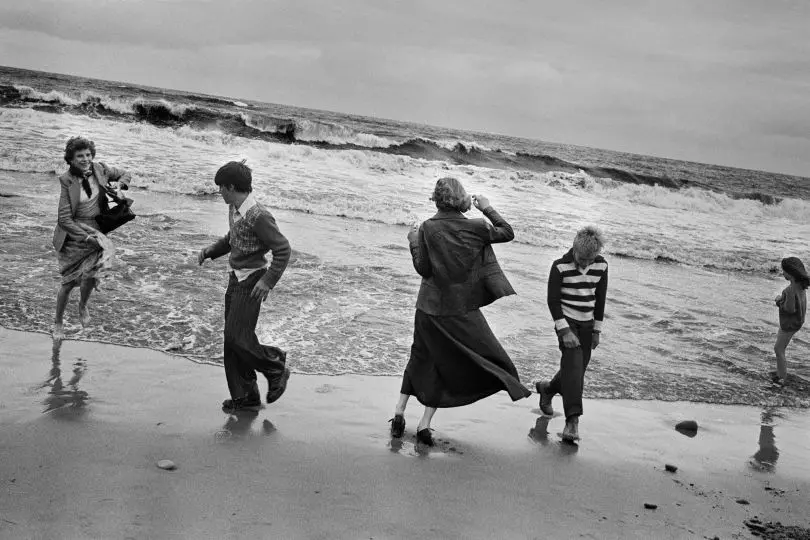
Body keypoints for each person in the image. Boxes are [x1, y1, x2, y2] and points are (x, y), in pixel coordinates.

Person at [389, 177, 531, 446]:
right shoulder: (477, 227)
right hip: (458, 308)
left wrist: (413, 240)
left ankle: (398, 412)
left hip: (428, 307)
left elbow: (423, 269)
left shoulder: (428, 228)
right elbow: (507, 232)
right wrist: (487, 208)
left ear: (436, 198)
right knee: (451, 361)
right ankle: (424, 425)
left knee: (419, 355)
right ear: (462, 198)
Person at [198, 160, 292, 412]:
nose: (219, 192)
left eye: (221, 187)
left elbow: (283, 250)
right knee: (231, 342)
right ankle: (246, 395)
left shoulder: (258, 215)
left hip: (251, 280)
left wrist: (267, 281)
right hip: (235, 277)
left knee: (237, 337)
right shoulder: (235, 209)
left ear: (231, 186)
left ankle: (276, 367)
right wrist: (211, 251)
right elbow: (233, 238)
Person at [52, 137, 130, 340]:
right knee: (68, 283)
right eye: (80, 156)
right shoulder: (67, 181)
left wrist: (121, 186)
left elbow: (124, 173)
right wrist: (87, 239)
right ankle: (58, 323)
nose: (85, 159)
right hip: (74, 234)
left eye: (88, 154)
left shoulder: (100, 169)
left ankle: (82, 306)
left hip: (96, 228)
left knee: (92, 274)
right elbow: (64, 219)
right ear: (70, 159)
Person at [535, 226, 608, 443]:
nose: (585, 263)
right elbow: (553, 301)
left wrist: (596, 330)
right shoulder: (559, 267)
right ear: (574, 248)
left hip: (587, 326)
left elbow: (600, 300)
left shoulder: (602, 265)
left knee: (574, 372)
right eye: (582, 258)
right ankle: (572, 421)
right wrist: (564, 330)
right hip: (567, 324)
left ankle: (547, 389)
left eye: (590, 258)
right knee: (574, 370)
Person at [773, 256, 808, 383]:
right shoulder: (801, 286)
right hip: (797, 322)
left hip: (790, 324)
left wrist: (778, 301)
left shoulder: (789, 290)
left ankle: (781, 377)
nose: (782, 273)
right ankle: (780, 373)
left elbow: (789, 309)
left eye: (784, 271)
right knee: (780, 346)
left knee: (778, 349)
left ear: (790, 272)